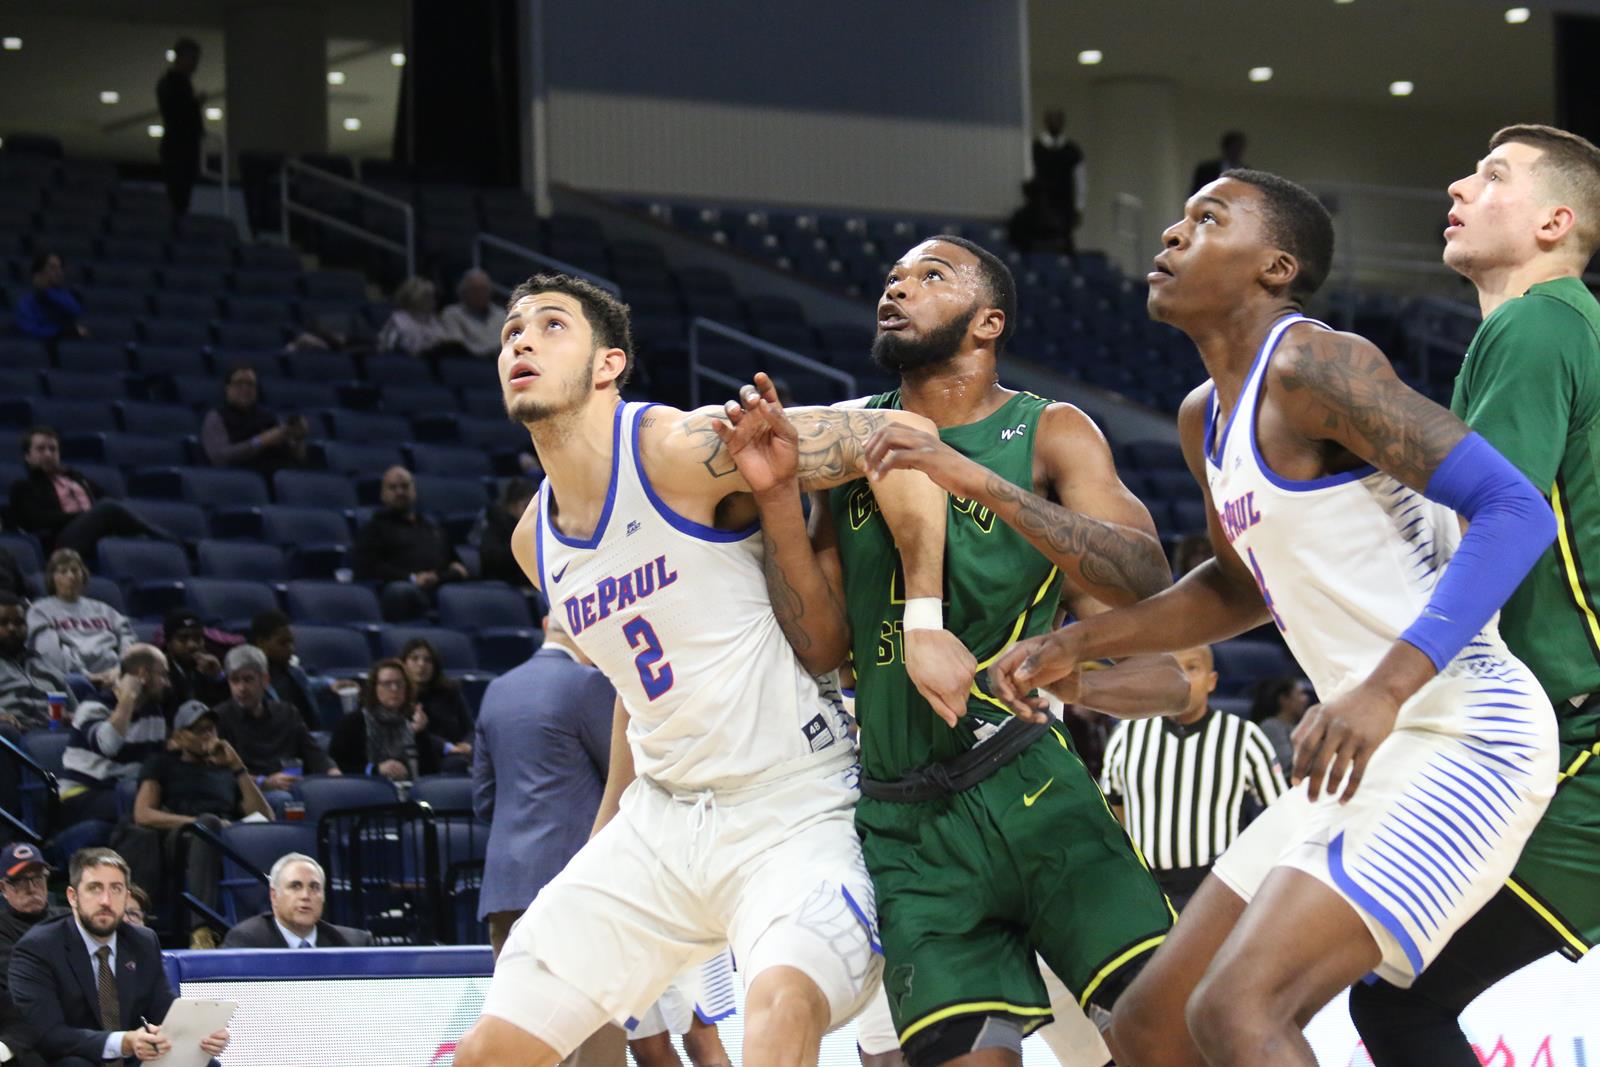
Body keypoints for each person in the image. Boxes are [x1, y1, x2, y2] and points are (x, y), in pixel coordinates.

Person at [986, 169, 1560, 1067]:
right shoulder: (1203, 417)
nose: (1172, 236)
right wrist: (1079, 642)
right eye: (1175, 219)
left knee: (1239, 1010)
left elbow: (1518, 509)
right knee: (1149, 1028)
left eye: (1207, 220)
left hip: (1462, 730)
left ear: (1276, 266)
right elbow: (1240, 587)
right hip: (1362, 753)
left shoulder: (1316, 363)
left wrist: (1382, 688)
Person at [451, 271, 954, 1067]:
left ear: (609, 363)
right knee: (488, 1050)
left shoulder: (676, 448)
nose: (520, 339)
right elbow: (633, 691)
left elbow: (893, 436)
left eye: (551, 326)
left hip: (790, 806)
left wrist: (925, 615)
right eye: (512, 329)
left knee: (780, 1011)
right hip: (659, 823)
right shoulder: (531, 541)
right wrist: (602, 841)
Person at [735, 234, 1187, 1066]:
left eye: (929, 276)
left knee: (1166, 1036)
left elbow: (1144, 577)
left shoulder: (1049, 430)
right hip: (905, 819)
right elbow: (824, 646)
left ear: (989, 323)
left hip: (1031, 785)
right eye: (893, 277)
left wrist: (968, 474)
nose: (897, 288)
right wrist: (775, 503)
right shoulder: (852, 440)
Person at [1344, 125, 1600, 1066]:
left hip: (1587, 748)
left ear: (1553, 221)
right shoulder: (1556, 329)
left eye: (1493, 175)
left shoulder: (1536, 326)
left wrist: (1387, 683)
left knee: (1395, 999)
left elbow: (1502, 524)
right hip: (1569, 731)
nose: (1458, 184)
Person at [1100, 646, 1286, 912]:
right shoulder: (1126, 735)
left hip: (1213, 884)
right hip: (1145, 886)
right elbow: (1112, 808)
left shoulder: (1244, 736)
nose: (1182, 678)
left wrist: (1249, 870)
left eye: (1192, 668)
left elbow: (1279, 813)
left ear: (1212, 681)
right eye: (1172, 668)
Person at [9, 847, 230, 1064]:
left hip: (132, 1056)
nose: (106, 900)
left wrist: (200, 1035)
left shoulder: (143, 941)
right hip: (73, 1057)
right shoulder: (38, 948)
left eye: (116, 889)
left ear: (127, 896)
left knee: (206, 1063)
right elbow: (47, 1035)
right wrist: (123, 1042)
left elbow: (163, 1009)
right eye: (95, 888)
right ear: (72, 896)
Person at [122, 702, 273, 948]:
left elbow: (265, 817)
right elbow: (143, 814)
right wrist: (198, 824)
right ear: (179, 736)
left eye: (211, 729)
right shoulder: (162, 764)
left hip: (225, 841)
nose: (207, 735)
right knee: (208, 825)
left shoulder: (225, 774)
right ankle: (201, 931)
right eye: (198, 729)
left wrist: (238, 768)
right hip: (178, 841)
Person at [9, 427, 174, 557]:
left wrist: (93, 517)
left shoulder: (75, 477)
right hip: (60, 542)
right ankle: (173, 541)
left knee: (121, 512)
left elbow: (108, 499)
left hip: (94, 530)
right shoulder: (23, 487)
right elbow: (35, 520)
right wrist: (84, 516)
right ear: (28, 456)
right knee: (107, 508)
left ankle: (164, 543)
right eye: (41, 449)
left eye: (53, 449)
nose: (48, 454)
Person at [59, 645, 171, 825]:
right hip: (80, 794)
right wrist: (128, 696)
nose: (167, 683)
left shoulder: (154, 712)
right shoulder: (94, 706)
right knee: (135, 803)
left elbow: (153, 765)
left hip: (124, 791)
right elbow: (108, 745)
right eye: (163, 675)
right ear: (142, 674)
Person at [213, 645, 337, 802]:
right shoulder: (219, 719)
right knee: (283, 799)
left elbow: (313, 753)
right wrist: (264, 782)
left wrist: (333, 773)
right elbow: (222, 775)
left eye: (248, 679)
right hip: (252, 796)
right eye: (235, 681)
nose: (241, 688)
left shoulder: (287, 713)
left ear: (265, 680)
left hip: (293, 785)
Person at [352, 466, 470, 621]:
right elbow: (368, 567)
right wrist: (412, 578)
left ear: (414, 491)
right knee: (401, 592)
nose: (400, 492)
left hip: (440, 586)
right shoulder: (374, 528)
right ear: (383, 494)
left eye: (405, 486)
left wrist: (438, 577)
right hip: (404, 590)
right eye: (393, 487)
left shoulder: (431, 527)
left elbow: (456, 565)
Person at [26, 548, 135, 694]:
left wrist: (121, 669)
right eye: (63, 571)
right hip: (74, 677)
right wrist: (87, 675)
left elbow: (128, 637)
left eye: (75, 570)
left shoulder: (103, 609)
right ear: (52, 578)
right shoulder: (40, 610)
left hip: (114, 674)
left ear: (83, 575)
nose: (71, 576)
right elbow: (50, 652)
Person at [221, 853, 374, 948]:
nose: (306, 896)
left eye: (314, 887)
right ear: (274, 896)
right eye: (295, 886)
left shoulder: (353, 944)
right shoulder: (247, 941)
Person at [328, 659, 437, 781]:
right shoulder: (354, 722)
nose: (394, 689)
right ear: (374, 688)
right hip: (365, 790)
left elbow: (431, 771)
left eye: (400, 683)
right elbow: (336, 768)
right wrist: (376, 769)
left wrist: (420, 734)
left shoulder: (414, 720)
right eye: (387, 684)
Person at [199, 364, 308, 476]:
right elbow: (220, 457)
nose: (245, 388)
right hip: (241, 477)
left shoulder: (268, 416)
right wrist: (260, 441)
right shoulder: (216, 416)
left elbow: (297, 457)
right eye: (239, 383)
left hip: (279, 475)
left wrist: (298, 438)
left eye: (250, 384)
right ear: (227, 388)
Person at [0, 591, 76, 733]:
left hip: (55, 730)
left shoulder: (42, 663)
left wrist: (73, 717)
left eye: (18, 623)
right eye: (3, 623)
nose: (12, 628)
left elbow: (74, 709)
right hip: (17, 733)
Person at [0, 843, 68, 1001]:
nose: (31, 888)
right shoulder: (2, 928)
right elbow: (25, 979)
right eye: (20, 881)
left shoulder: (69, 918)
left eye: (38, 878)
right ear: (3, 888)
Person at [398, 637, 472, 773]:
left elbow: (470, 729)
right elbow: (411, 733)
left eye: (428, 660)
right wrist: (448, 747)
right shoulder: (399, 695)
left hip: (457, 754)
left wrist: (468, 745)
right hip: (422, 756)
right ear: (404, 663)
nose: (421, 665)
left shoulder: (451, 692)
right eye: (414, 659)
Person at [248, 611, 323, 731]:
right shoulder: (248, 683)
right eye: (283, 643)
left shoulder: (293, 672)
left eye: (291, 642)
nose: (291, 649)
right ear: (261, 643)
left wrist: (331, 684)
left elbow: (309, 683)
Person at [156, 37, 203, 215]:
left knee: (180, 200)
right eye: (192, 59)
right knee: (178, 200)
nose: (195, 64)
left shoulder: (176, 83)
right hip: (178, 151)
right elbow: (178, 114)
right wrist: (195, 104)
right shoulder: (174, 83)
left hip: (181, 151)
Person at [1031, 109, 1085, 254]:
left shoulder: (1072, 151)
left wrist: (1079, 207)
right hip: (1041, 204)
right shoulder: (1036, 148)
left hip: (1064, 204)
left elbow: (1080, 181)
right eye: (1052, 120)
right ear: (1046, 122)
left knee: (1064, 244)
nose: (1055, 124)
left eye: (1058, 120)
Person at [157, 608, 228, 718]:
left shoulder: (210, 668)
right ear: (169, 643)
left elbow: (226, 710)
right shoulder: (160, 674)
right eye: (183, 639)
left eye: (197, 638)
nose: (192, 645)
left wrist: (218, 677)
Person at [14, 252, 86, 349]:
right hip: (36, 351)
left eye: (60, 268)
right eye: (52, 268)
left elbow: (75, 311)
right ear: (38, 273)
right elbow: (30, 329)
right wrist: (59, 332)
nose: (59, 272)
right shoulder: (26, 302)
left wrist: (48, 293)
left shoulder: (65, 296)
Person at [474, 478, 536, 588]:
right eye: (527, 506)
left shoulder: (534, 527)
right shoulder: (495, 526)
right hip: (505, 585)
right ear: (512, 505)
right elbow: (495, 561)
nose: (533, 513)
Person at [377, 277, 454, 358]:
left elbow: (443, 344)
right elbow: (388, 349)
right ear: (413, 297)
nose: (433, 301)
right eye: (427, 296)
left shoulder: (434, 320)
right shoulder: (398, 320)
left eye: (433, 296)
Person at [1246, 676, 1309, 771]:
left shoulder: (1300, 726)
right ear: (1284, 699)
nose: (1305, 699)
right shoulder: (1271, 727)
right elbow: (1285, 765)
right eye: (1300, 694)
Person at [441, 268, 502, 358]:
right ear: (463, 292)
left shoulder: (501, 315)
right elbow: (457, 346)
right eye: (475, 290)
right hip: (468, 363)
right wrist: (490, 352)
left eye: (484, 289)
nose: (480, 294)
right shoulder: (451, 314)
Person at [1190, 131, 1248, 195]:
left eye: (1239, 148)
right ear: (1226, 148)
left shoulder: (1246, 172)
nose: (1236, 151)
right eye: (1234, 147)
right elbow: (1196, 194)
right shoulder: (1206, 170)